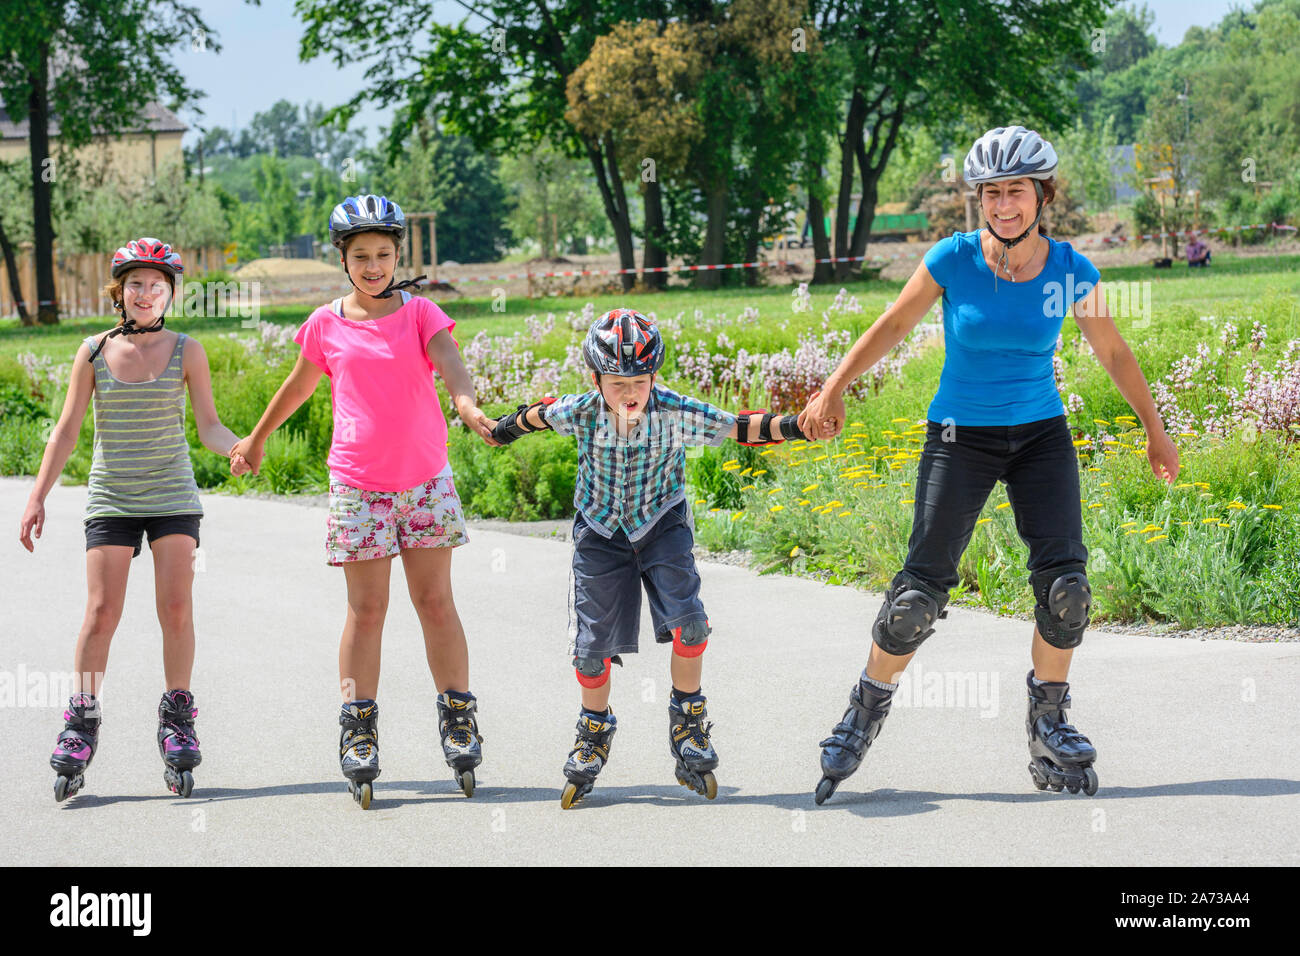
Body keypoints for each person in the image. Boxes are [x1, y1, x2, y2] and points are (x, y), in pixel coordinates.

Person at [800, 126, 1181, 804]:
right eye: (993, 193)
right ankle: (863, 711)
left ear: (1043, 195)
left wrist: (1156, 431)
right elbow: (892, 324)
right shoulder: (953, 260)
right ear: (979, 199)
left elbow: (1115, 355)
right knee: (916, 597)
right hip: (959, 436)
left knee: (1068, 590)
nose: (1004, 206)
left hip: (1041, 434)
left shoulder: (1069, 270)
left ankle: (1049, 722)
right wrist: (832, 387)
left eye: (1017, 192)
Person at [229, 195, 498, 809]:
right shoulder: (326, 323)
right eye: (361, 256)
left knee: (435, 602)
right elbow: (297, 385)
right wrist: (258, 438)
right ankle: (358, 727)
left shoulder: (422, 312)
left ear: (399, 254)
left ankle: (458, 716)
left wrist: (467, 405)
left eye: (383, 254)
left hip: (425, 481)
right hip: (358, 488)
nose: (373, 265)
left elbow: (450, 362)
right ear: (343, 260)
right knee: (367, 609)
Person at [487, 308, 814, 808]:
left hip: (662, 525)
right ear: (595, 379)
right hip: (599, 532)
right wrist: (506, 427)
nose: (630, 393)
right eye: (617, 383)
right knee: (590, 652)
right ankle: (593, 730)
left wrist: (799, 425)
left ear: (654, 376)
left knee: (691, 625)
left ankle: (688, 722)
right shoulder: (580, 410)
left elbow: (740, 427)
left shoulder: (673, 409)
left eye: (640, 380)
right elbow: (541, 412)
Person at [20, 238, 244, 801]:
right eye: (137, 284)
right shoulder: (93, 350)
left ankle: (177, 716)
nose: (147, 294)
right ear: (120, 292)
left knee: (175, 606)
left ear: (171, 292)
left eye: (158, 285)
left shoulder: (187, 349)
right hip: (112, 497)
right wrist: (38, 495)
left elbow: (209, 426)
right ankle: (81, 718)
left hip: (172, 493)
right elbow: (68, 429)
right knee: (101, 611)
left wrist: (238, 446)